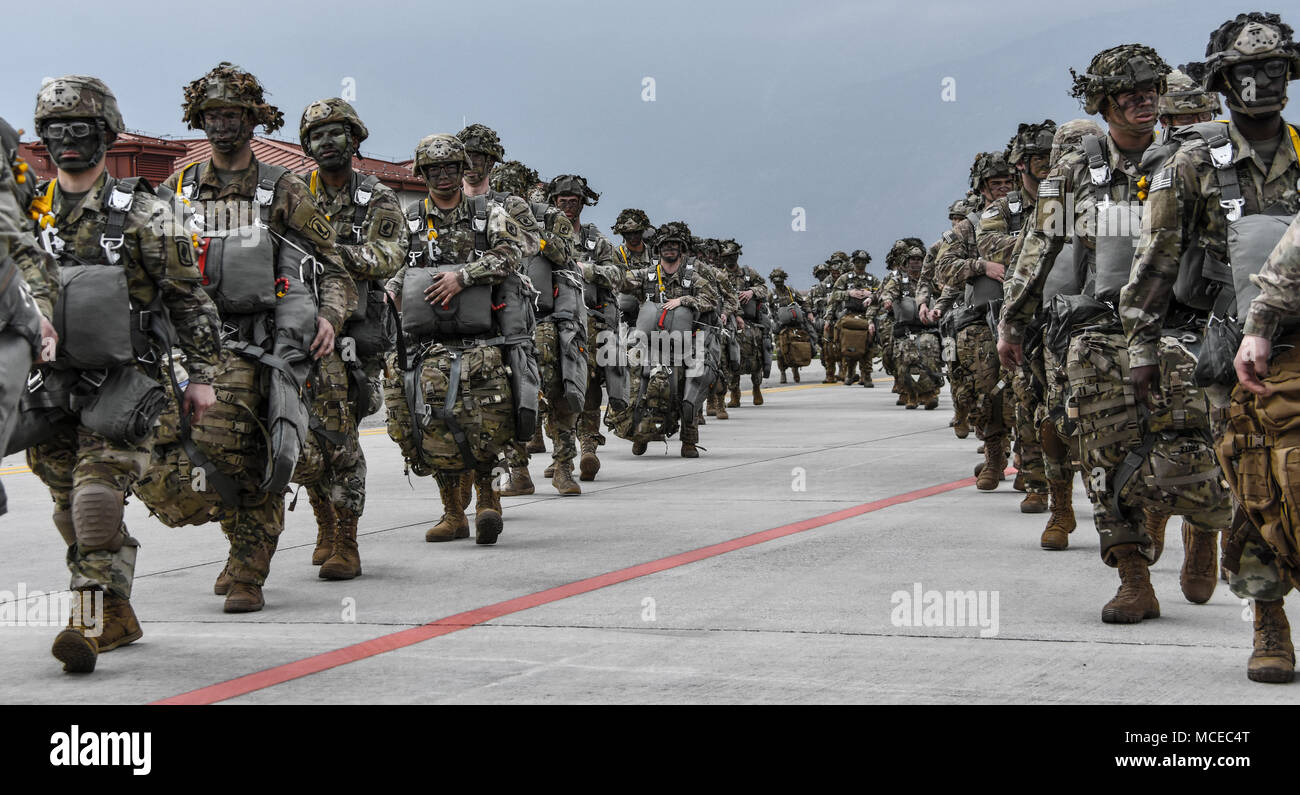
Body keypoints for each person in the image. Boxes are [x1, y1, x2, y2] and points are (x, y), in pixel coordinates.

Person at [21, 75, 222, 671]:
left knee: (94, 503)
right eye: (55, 132)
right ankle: (117, 607)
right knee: (66, 507)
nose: (68, 142)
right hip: (48, 386)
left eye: (81, 129)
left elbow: (188, 298)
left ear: (106, 135)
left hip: (124, 383)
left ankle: (88, 625)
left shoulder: (146, 210)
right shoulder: (26, 215)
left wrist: (203, 375)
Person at [1124, 13, 1300, 680]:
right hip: (1231, 348)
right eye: (1249, 71)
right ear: (1224, 83)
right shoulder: (1191, 165)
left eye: (1276, 69)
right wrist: (1141, 346)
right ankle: (1270, 625)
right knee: (1254, 484)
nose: (1264, 82)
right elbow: (1155, 263)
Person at [154, 63, 356, 613]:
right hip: (194, 346)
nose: (222, 127)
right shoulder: (181, 188)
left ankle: (249, 570)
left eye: (233, 116)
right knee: (183, 457)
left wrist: (330, 319)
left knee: (260, 449)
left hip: (266, 343)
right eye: (212, 116)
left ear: (253, 121)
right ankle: (238, 546)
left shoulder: (283, 188)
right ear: (200, 120)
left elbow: (335, 269)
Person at [383, 134, 533, 544]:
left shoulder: (488, 214)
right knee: (430, 419)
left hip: (484, 338)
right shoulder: (412, 219)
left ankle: (488, 501)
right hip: (428, 339)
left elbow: (514, 252)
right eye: (435, 170)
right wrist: (391, 290)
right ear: (423, 173)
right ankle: (453, 513)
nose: (445, 176)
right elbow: (399, 264)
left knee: (487, 417)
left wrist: (463, 277)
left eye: (451, 167)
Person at [295, 98, 407, 578]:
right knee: (299, 435)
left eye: (334, 133)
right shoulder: (293, 191)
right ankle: (323, 521)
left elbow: (390, 254)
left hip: (352, 335)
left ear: (355, 140)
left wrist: (331, 254)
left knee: (338, 434)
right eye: (316, 136)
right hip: (295, 328)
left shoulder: (377, 197)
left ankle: (346, 540)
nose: (325, 143)